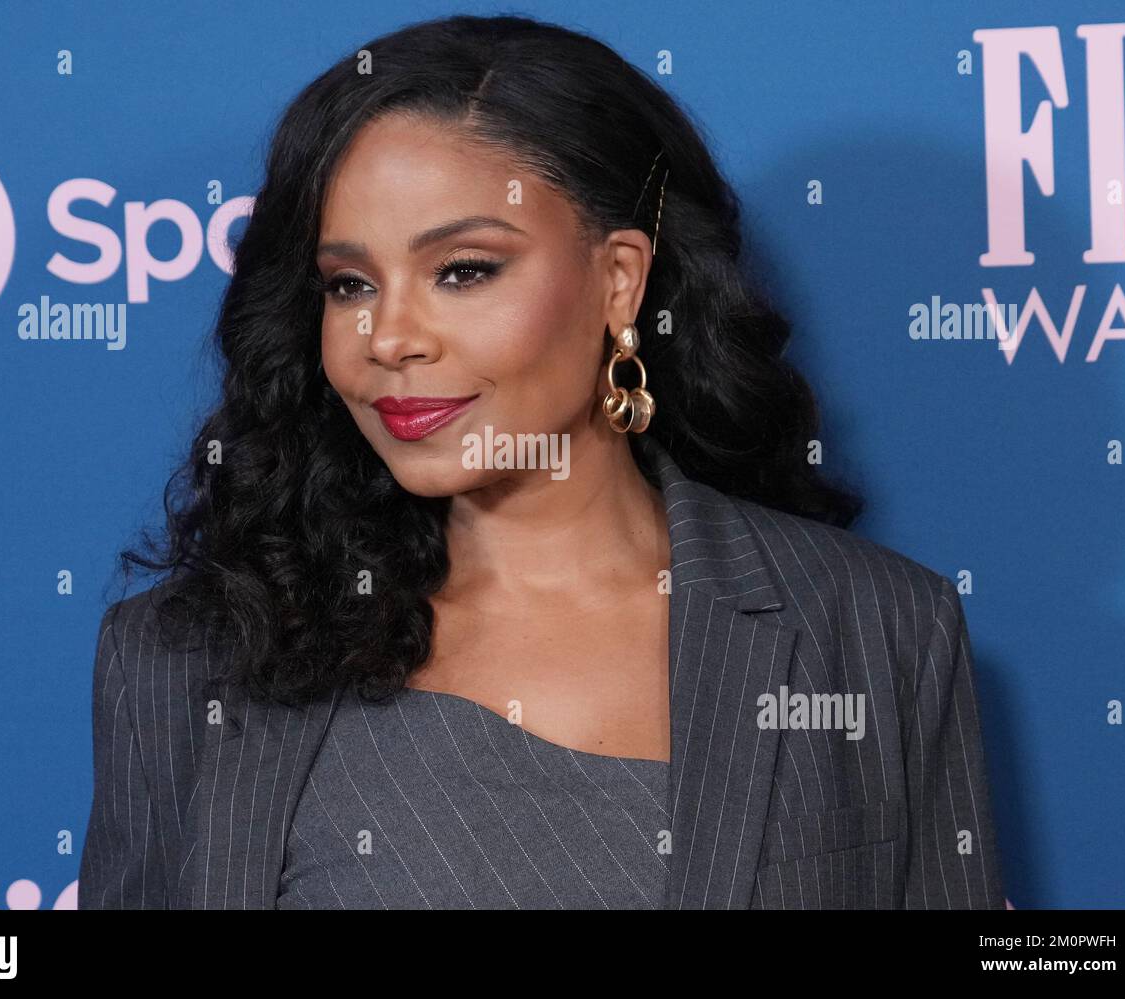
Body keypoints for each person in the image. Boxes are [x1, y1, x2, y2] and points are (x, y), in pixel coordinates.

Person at [78, 13, 1006, 910]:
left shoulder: (877, 628)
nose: (389, 336)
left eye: (464, 270)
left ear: (619, 280)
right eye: (349, 284)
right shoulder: (188, 655)